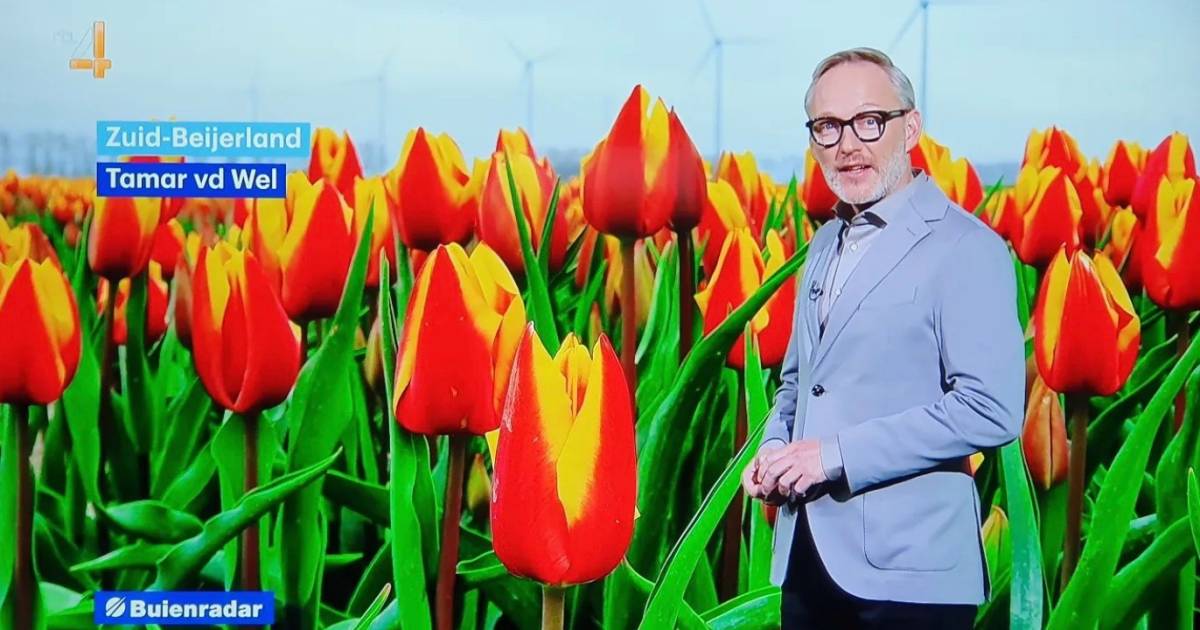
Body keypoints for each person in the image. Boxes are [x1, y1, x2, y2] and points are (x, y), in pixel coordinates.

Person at [741, 47, 1025, 629]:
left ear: (911, 127)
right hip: (806, 558)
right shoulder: (824, 244)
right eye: (827, 126)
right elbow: (798, 385)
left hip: (912, 573)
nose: (848, 144)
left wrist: (833, 456)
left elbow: (990, 410)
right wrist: (774, 451)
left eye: (869, 121)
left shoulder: (967, 248)